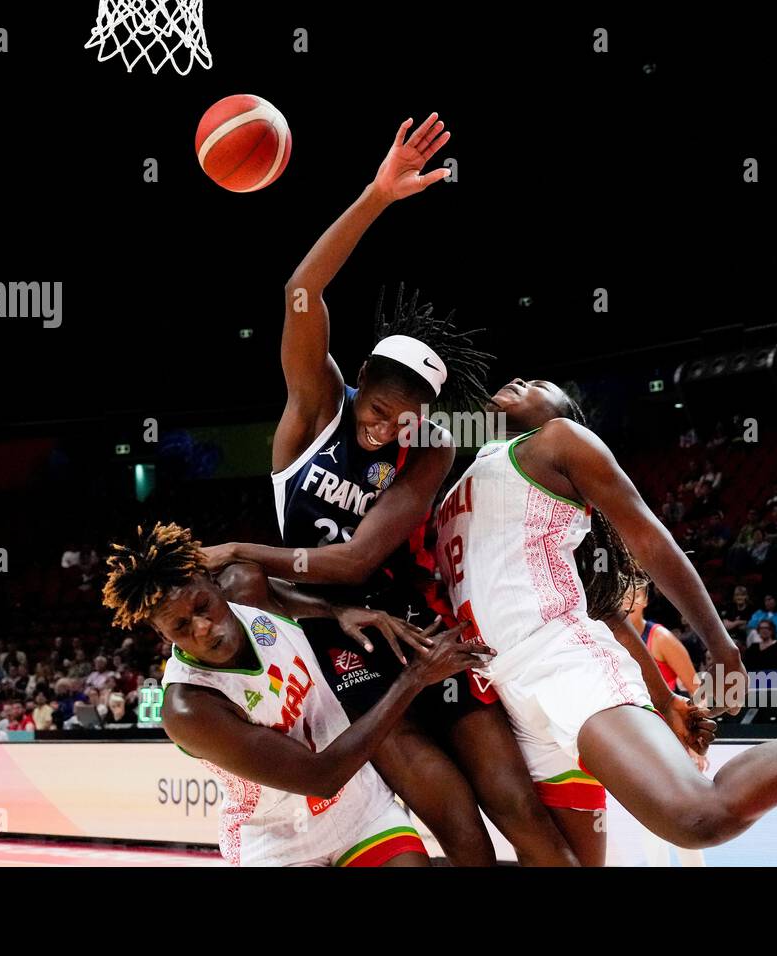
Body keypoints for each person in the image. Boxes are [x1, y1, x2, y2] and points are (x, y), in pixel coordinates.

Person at [198, 114, 577, 868]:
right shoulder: (312, 411)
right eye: (376, 412)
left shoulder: (425, 449)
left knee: (517, 807)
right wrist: (377, 194)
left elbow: (358, 556)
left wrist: (243, 545)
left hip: (423, 625)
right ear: (356, 382)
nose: (383, 431)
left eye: (403, 420)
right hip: (342, 644)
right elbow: (302, 287)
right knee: (463, 831)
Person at [431, 377, 777, 863]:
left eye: (539, 384)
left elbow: (651, 541)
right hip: (506, 688)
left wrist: (721, 645)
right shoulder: (458, 476)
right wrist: (664, 698)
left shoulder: (559, 442)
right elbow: (602, 606)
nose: (522, 380)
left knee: (699, 816)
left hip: (559, 664)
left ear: (562, 414)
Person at [103, 522, 491, 867]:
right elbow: (321, 776)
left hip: (359, 810)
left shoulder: (245, 588)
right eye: (181, 626)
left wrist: (336, 611)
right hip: (277, 839)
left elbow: (283, 599)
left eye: (203, 606)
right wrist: (415, 678)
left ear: (215, 584)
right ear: (162, 635)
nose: (202, 628)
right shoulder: (189, 706)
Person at [628, 579, 698, 697]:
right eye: (623, 597)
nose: (628, 603)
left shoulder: (661, 638)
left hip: (663, 713)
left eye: (635, 596)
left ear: (645, 600)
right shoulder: (607, 637)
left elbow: (696, 690)